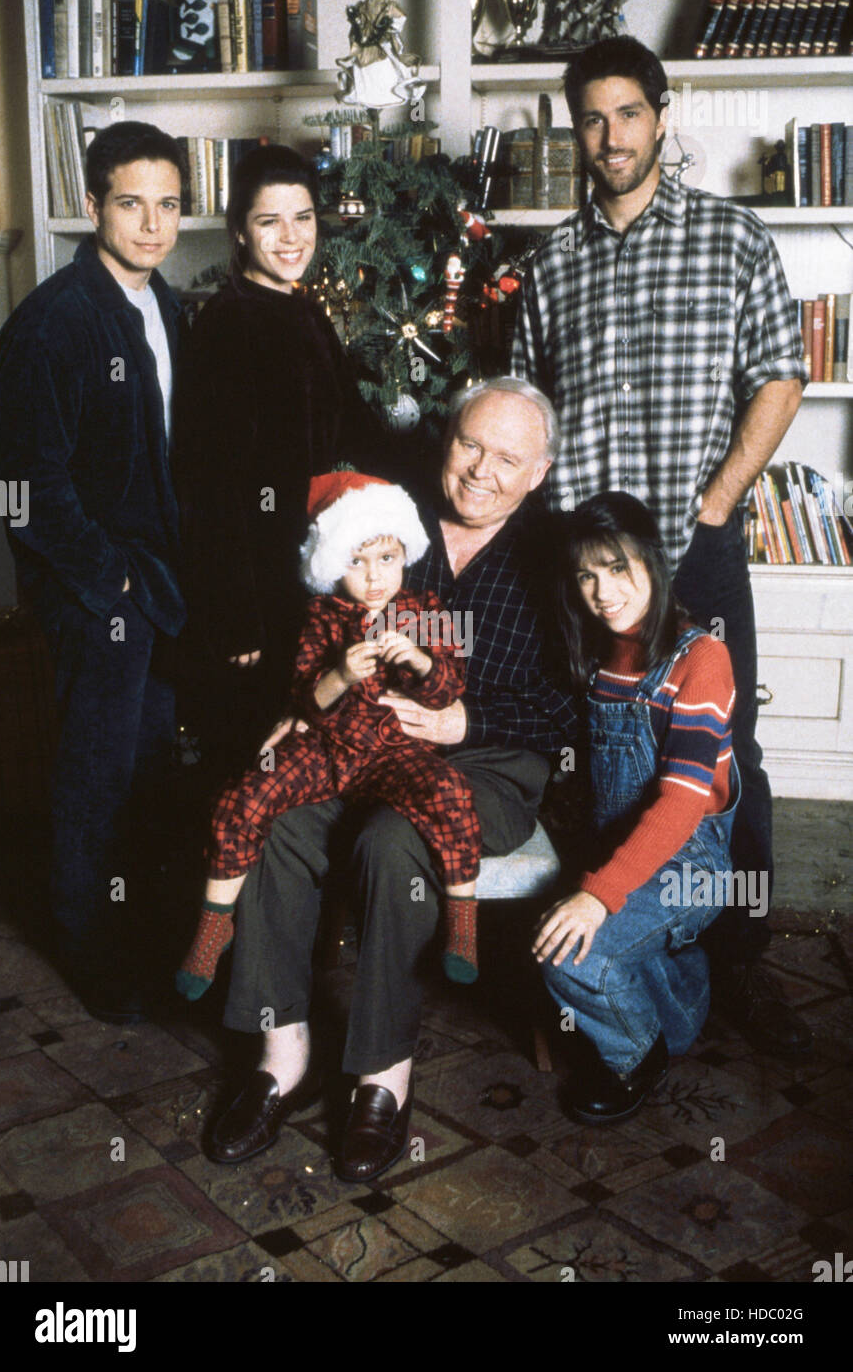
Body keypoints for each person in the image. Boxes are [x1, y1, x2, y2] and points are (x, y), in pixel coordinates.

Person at [511, 35, 811, 1056]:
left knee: (731, 754)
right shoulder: (546, 266)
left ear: (660, 114)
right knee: (605, 752)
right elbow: (524, 417)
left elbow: (781, 371)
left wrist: (722, 499)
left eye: (627, 114)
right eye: (591, 119)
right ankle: (632, 931)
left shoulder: (731, 238)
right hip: (594, 569)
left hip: (696, 544)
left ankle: (740, 952)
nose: (609, 137)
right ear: (573, 129)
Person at [205, 377, 576, 1179]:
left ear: (539, 472)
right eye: (469, 444)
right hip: (364, 744)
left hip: (488, 762)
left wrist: (464, 723)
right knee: (275, 815)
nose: (481, 470)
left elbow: (570, 708)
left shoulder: (555, 556)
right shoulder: (387, 526)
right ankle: (283, 1053)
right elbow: (318, 634)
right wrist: (302, 713)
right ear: (446, 439)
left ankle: (381, 1075)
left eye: (507, 458)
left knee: (392, 840)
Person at [0, 122, 188, 1023]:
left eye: (169, 204)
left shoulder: (168, 306)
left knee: (147, 774)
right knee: (93, 778)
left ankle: (141, 937)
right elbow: (11, 491)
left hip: (157, 592)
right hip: (98, 598)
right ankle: (90, 950)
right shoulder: (55, 320)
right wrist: (106, 583)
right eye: (131, 203)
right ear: (92, 205)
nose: (152, 224)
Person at [176, 472, 485, 999]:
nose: (372, 578)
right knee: (242, 795)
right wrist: (341, 674)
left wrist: (415, 657)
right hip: (326, 750)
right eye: (355, 562)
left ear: (405, 556)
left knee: (450, 793)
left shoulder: (431, 611)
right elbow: (305, 700)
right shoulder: (320, 615)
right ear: (330, 565)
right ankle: (213, 925)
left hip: (396, 752)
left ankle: (461, 927)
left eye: (386, 560)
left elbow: (449, 688)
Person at [174, 144, 391, 782]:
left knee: (303, 753)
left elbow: (355, 424)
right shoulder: (227, 323)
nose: (291, 237)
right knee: (256, 761)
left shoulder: (301, 310)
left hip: (304, 567)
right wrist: (234, 608)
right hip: (255, 587)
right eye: (270, 222)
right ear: (239, 230)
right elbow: (205, 480)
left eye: (303, 218)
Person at [535, 492, 739, 1123]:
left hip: (690, 860)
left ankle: (635, 1059)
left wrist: (598, 894)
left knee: (574, 954)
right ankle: (679, 993)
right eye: (587, 576)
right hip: (621, 843)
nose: (603, 591)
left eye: (617, 568)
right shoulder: (599, 654)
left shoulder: (702, 658)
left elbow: (680, 806)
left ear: (654, 563)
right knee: (611, 969)